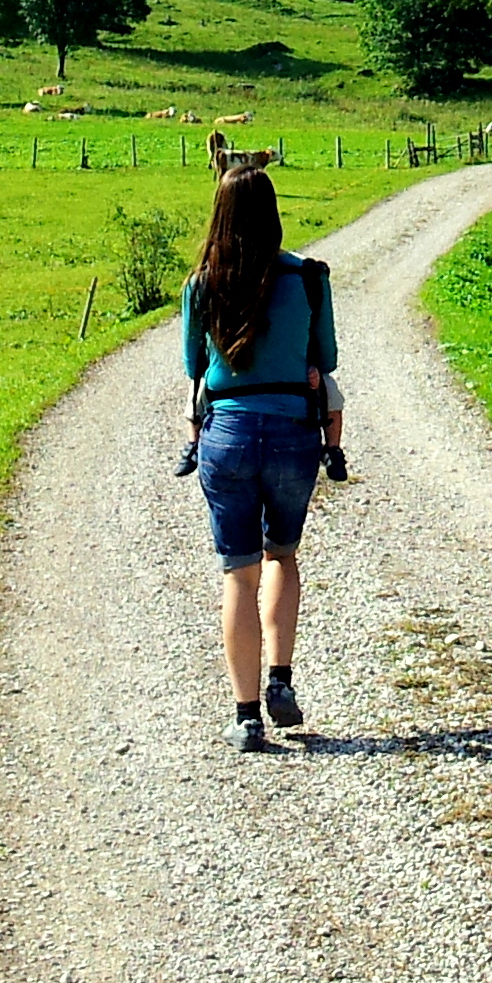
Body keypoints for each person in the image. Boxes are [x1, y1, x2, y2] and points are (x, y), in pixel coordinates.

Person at [179, 165, 342, 752]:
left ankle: (246, 716)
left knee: (238, 573)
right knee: (282, 556)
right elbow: (326, 357)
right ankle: (281, 678)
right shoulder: (308, 278)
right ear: (273, 214)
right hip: (292, 432)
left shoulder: (203, 284)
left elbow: (194, 367)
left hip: (227, 433)